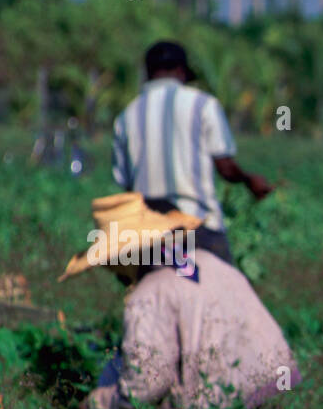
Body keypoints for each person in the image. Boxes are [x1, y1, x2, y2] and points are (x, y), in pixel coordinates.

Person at [60, 193, 300, 409]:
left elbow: (146, 384)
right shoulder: (210, 263)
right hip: (282, 385)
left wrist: (99, 404)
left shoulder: (149, 295)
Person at [112, 41, 273, 264]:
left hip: (149, 233)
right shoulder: (203, 104)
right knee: (224, 293)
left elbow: (125, 181)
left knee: (146, 293)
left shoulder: (126, 116)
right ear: (180, 71)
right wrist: (248, 180)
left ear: (148, 73)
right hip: (200, 228)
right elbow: (225, 167)